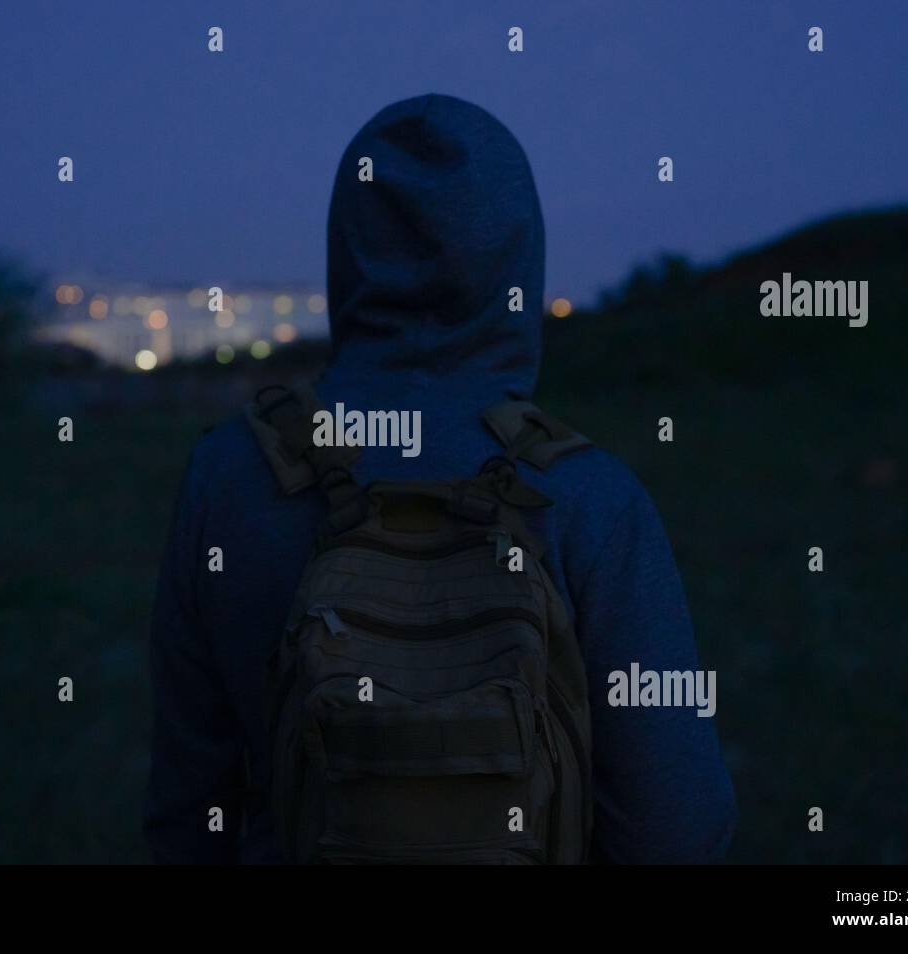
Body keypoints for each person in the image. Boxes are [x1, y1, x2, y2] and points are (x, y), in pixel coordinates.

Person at [145, 93, 736, 863]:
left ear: (346, 249)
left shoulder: (227, 479)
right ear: (519, 256)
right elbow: (678, 827)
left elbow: (190, 812)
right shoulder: (591, 497)